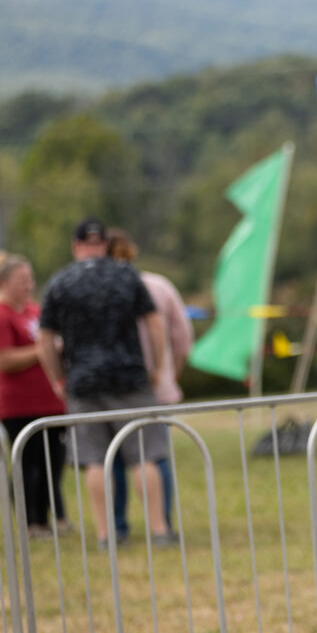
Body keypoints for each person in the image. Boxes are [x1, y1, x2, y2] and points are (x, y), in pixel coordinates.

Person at [37, 218, 176, 548]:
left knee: (94, 461)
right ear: (104, 244)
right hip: (129, 377)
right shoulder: (126, 274)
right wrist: (157, 366)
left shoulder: (60, 283)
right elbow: (155, 325)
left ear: (75, 247)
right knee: (144, 455)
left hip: (83, 381)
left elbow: (45, 339)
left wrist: (58, 377)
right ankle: (160, 530)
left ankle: (106, 535)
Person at [105, 228, 191, 533]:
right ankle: (162, 521)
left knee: (112, 457)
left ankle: (116, 526)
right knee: (154, 455)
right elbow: (182, 337)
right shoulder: (158, 285)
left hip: (110, 387)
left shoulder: (97, 288)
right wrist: (169, 371)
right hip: (156, 385)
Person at [0, 251, 69, 538]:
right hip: (18, 405)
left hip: (50, 401)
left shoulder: (34, 311)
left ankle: (49, 519)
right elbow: (3, 360)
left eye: (30, 279)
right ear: (3, 283)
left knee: (52, 462)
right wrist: (41, 350)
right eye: (21, 280)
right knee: (28, 464)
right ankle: (29, 522)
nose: (28, 285)